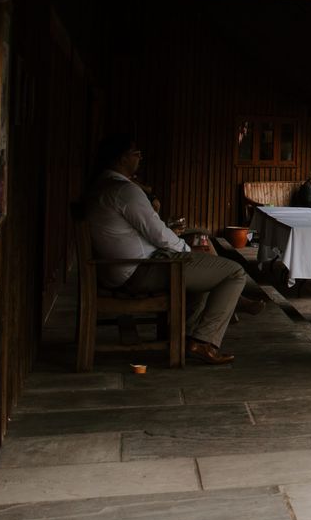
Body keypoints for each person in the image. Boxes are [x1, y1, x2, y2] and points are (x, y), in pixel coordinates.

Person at [85, 133, 253, 366]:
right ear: (122, 158)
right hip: (138, 271)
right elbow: (158, 234)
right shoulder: (124, 191)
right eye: (137, 154)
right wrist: (186, 251)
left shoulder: (101, 186)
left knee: (207, 272)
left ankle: (184, 337)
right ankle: (204, 341)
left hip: (117, 270)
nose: (140, 158)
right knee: (235, 273)